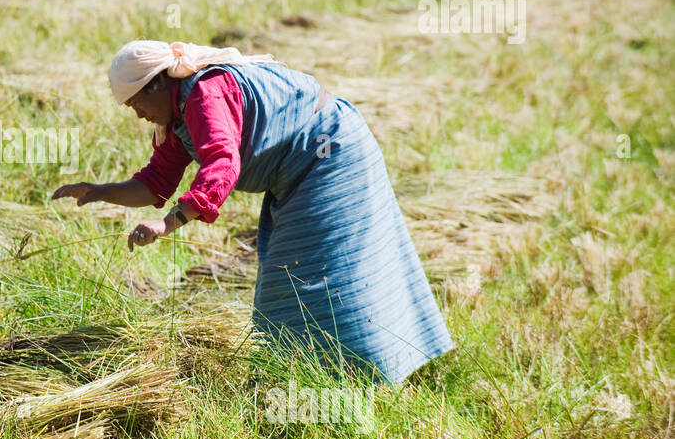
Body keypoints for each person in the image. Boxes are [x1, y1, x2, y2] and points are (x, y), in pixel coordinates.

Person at [52, 40, 453, 384]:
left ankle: (347, 379)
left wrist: (169, 222)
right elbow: (156, 181)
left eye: (137, 103)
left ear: (157, 84)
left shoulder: (205, 93)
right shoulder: (177, 114)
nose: (139, 115)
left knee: (306, 275)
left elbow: (222, 166)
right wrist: (98, 192)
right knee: (300, 275)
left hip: (331, 156)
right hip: (302, 171)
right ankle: (332, 374)